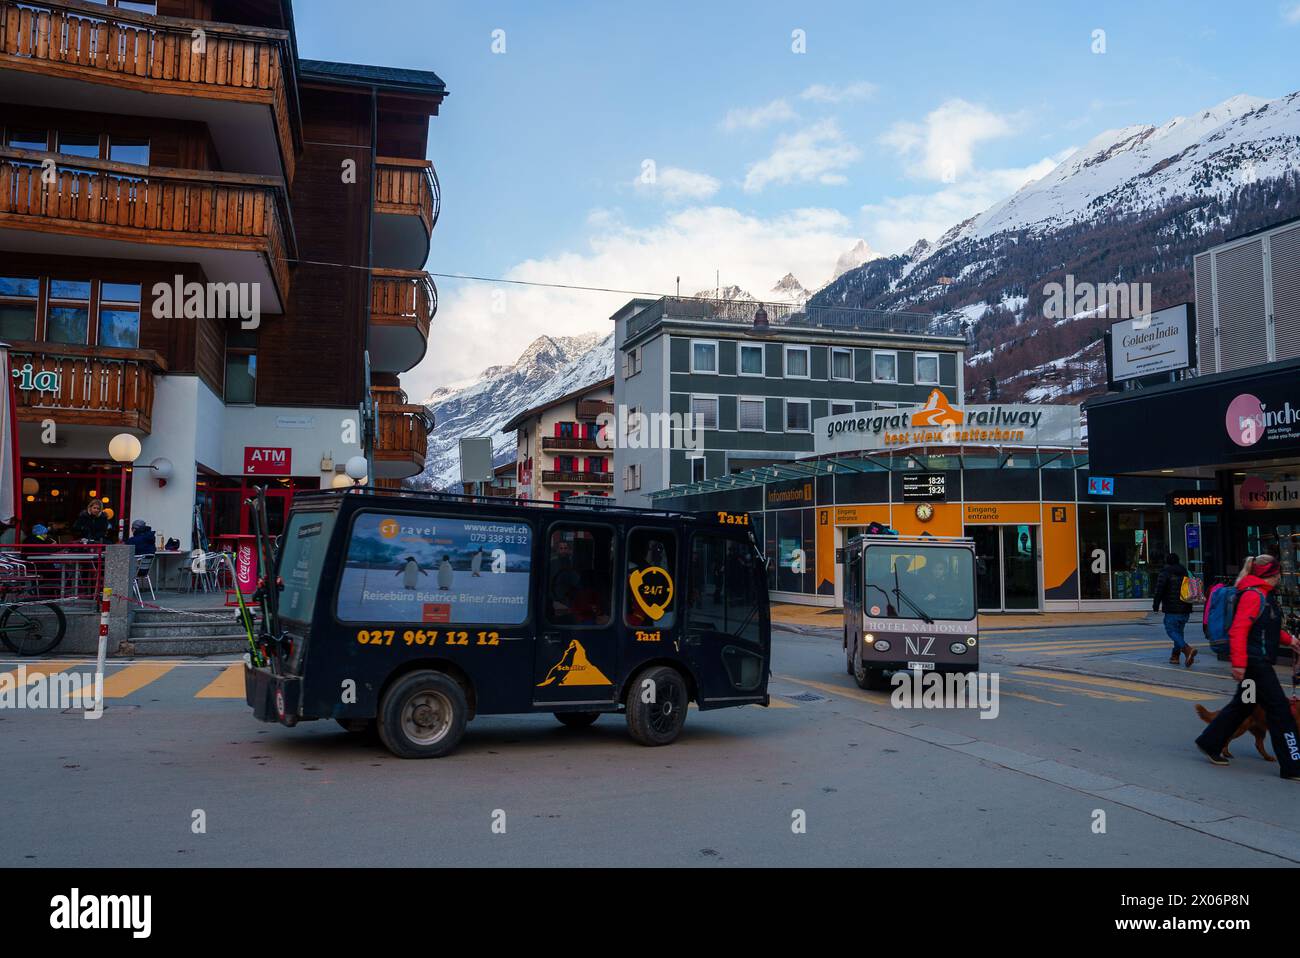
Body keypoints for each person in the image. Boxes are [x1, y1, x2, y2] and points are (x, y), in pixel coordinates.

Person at [1194, 555, 1300, 780]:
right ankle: (1293, 766)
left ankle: (1209, 742)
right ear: (1274, 575)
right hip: (1255, 663)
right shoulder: (1253, 595)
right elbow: (1239, 630)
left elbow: (1265, 628)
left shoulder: (1263, 594)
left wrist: (1289, 640)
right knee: (1280, 711)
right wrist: (1239, 664)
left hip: (1254, 662)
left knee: (1243, 705)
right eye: (1279, 573)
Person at [1153, 552, 1197, 667]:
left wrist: (1156, 605)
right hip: (1186, 607)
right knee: (1179, 632)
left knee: (1171, 630)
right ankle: (1175, 656)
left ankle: (1187, 649)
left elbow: (1159, 590)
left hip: (1172, 609)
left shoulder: (1165, 573)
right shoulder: (1186, 572)